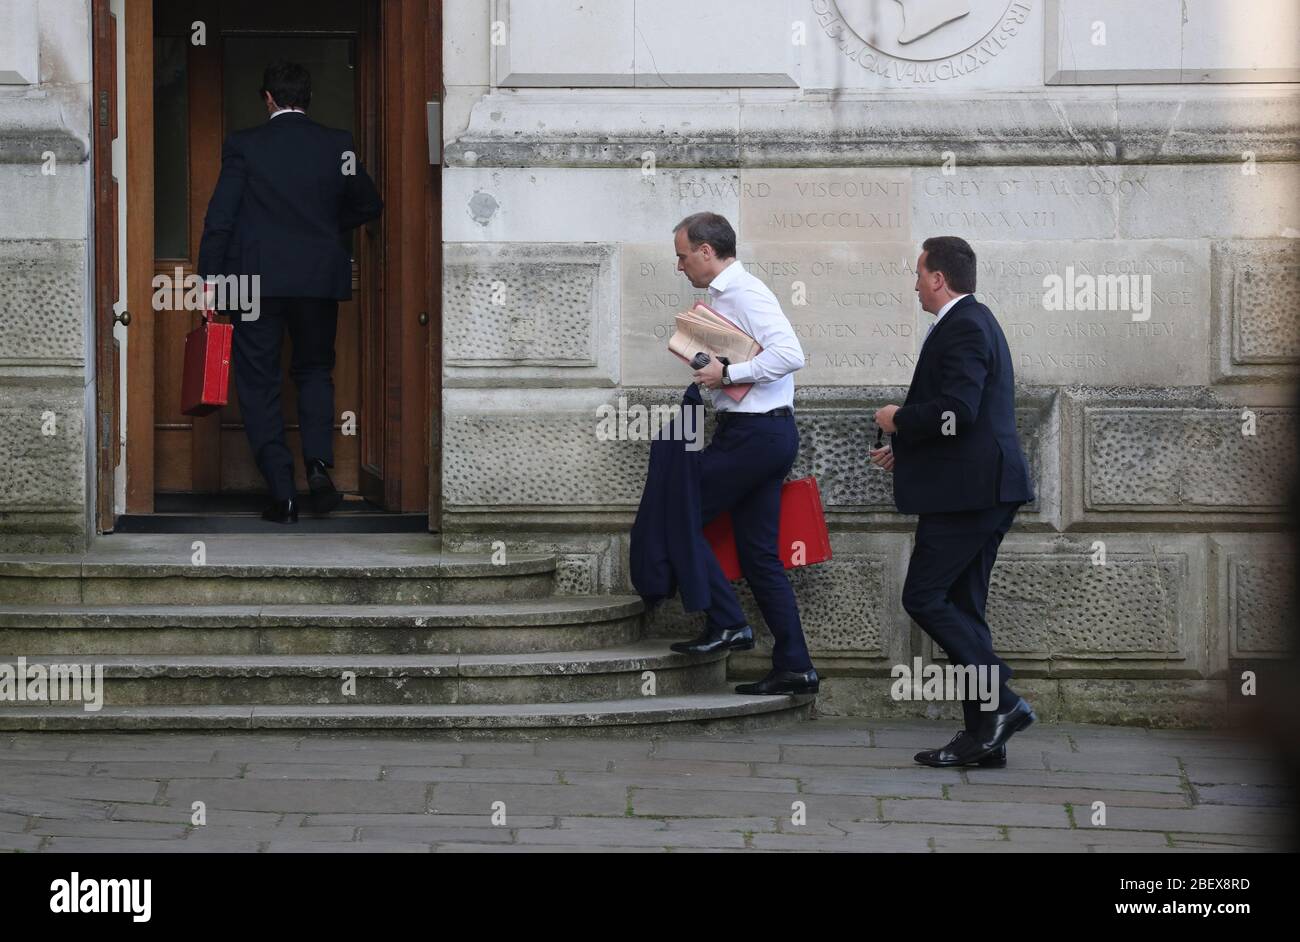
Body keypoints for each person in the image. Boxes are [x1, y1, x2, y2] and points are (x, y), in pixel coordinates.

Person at [871, 236, 1036, 766]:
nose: (915, 283)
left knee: (922, 596)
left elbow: (959, 411)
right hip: (978, 488)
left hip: (971, 496)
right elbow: (962, 418)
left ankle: (1003, 701)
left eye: (918, 274)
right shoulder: (972, 321)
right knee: (964, 608)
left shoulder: (964, 324)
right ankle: (984, 736)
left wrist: (897, 418)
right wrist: (909, 448)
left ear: (938, 278)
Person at [197, 59, 383, 523]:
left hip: (252, 282)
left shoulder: (244, 146)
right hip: (318, 278)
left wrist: (209, 281)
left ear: (268, 99)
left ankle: (282, 493)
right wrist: (323, 230)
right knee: (315, 371)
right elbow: (369, 202)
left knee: (258, 384)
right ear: (308, 98)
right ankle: (319, 471)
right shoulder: (337, 144)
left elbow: (220, 218)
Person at [667, 213, 819, 696]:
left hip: (754, 437)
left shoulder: (745, 293)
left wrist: (727, 375)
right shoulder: (725, 296)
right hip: (761, 435)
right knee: (759, 556)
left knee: (678, 513)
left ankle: (729, 623)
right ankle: (795, 666)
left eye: (683, 255)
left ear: (707, 252)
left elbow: (791, 354)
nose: (680, 266)